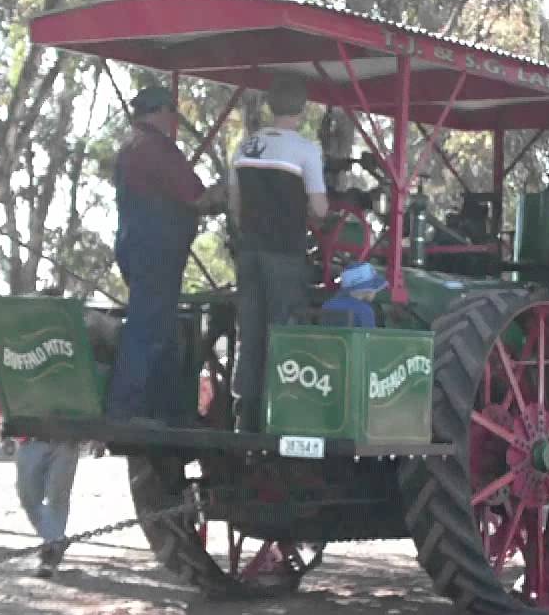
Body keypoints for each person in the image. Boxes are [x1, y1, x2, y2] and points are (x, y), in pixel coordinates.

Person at [229, 74, 328, 432]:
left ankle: (247, 413)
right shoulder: (305, 150)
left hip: (250, 249)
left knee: (250, 329)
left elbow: (236, 202)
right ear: (302, 110)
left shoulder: (246, 147)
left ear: (269, 106)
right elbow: (319, 208)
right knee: (284, 327)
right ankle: (283, 411)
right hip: (285, 252)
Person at [105, 85, 206, 424]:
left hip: (137, 244)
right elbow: (194, 195)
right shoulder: (155, 149)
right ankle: (127, 408)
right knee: (148, 327)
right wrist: (228, 194)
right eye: (171, 113)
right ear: (161, 111)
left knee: (157, 325)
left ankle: (158, 409)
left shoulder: (132, 146)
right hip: (156, 249)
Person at [16, 438, 80, 578]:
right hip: (30, 438)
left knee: (58, 496)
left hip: (67, 438)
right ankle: (55, 538)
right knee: (27, 497)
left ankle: (52, 549)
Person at [320, 261, 386, 328]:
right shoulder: (365, 311)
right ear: (367, 289)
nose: (375, 291)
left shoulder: (327, 305)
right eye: (374, 287)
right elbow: (368, 337)